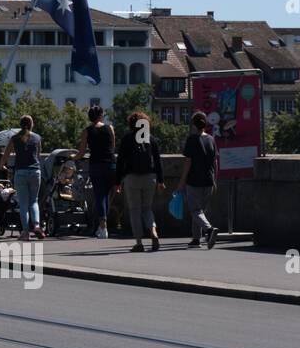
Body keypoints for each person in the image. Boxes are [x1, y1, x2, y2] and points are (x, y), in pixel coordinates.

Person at [115, 110, 165, 252]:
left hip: (132, 178)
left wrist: (117, 182)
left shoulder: (127, 139)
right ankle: (153, 231)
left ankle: (139, 243)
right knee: (147, 208)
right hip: (150, 178)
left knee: (135, 210)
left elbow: (120, 162)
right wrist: (161, 180)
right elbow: (158, 161)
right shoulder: (151, 139)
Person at [177, 111, 220, 249]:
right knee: (201, 211)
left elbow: (188, 162)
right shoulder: (211, 139)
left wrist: (182, 181)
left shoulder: (191, 140)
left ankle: (209, 230)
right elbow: (215, 162)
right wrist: (215, 180)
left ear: (193, 125)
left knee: (195, 210)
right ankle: (196, 239)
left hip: (194, 180)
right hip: (208, 179)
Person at [0, 115, 44, 241]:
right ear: (31, 125)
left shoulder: (14, 138)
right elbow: (38, 155)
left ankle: (25, 232)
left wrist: (1, 165)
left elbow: (6, 155)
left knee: (23, 203)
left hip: (21, 172)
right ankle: (36, 225)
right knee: (34, 201)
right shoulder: (37, 138)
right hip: (35, 171)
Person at [75, 104, 116, 239]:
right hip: (110, 165)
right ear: (100, 115)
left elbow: (81, 153)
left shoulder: (87, 131)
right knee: (107, 195)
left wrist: (72, 157)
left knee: (100, 196)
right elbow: (112, 148)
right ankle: (102, 225)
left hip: (96, 165)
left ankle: (103, 226)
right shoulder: (109, 128)